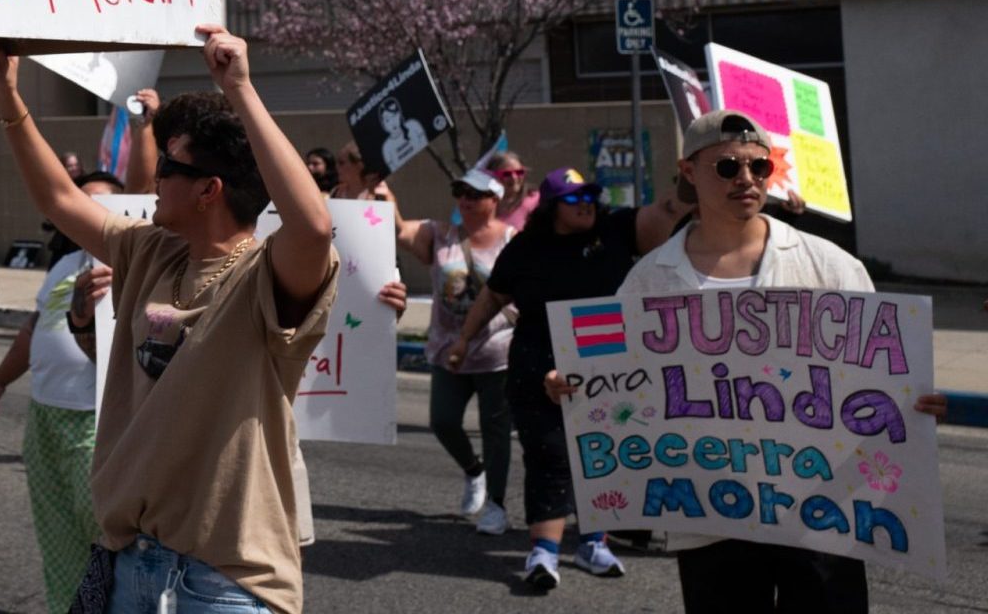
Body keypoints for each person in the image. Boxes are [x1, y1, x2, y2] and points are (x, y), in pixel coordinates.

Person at [0, 26, 339, 614]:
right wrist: (7, 100)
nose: (154, 176)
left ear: (208, 191)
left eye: (169, 165)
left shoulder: (267, 279)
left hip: (224, 581)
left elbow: (313, 227)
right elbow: (60, 202)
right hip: (132, 561)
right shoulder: (150, 250)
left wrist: (241, 88)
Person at [548, 110, 948, 612]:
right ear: (688, 171)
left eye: (760, 167)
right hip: (712, 517)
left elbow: (882, 380)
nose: (746, 179)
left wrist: (916, 404)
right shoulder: (651, 280)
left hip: (822, 516)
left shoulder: (830, 266)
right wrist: (572, 386)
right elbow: (614, 378)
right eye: (727, 167)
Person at [448, 166, 688, 592]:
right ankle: (543, 552)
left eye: (590, 197)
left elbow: (667, 211)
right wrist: (465, 339)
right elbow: (494, 295)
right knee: (550, 454)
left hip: (605, 361)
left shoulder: (616, 229)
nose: (587, 206)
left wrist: (689, 181)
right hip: (536, 361)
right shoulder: (526, 248)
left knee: (602, 453)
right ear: (554, 208)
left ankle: (594, 542)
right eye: (576, 200)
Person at [0, 170, 118, 612]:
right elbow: (33, 329)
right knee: (57, 532)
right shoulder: (65, 264)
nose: (84, 211)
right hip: (45, 418)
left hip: (94, 421)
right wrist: (1, 380)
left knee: (103, 537)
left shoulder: (131, 267)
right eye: (79, 201)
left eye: (99, 203)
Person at [399, 168, 516, 536]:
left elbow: (521, 292)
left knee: (496, 431)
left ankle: (496, 505)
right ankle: (473, 470)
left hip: (497, 352)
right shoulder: (440, 234)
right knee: (443, 421)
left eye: (475, 194)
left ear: (494, 200)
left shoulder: (513, 240)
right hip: (447, 351)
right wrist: (380, 191)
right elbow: (396, 227)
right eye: (460, 191)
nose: (465, 199)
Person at [483, 150, 536, 228]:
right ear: (492, 176)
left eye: (519, 172)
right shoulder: (480, 206)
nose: (514, 178)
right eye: (506, 174)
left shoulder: (536, 201)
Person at [376, 96, 428, 170]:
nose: (392, 122)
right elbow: (393, 168)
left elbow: (425, 145)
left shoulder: (413, 125)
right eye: (387, 120)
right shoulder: (386, 148)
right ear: (383, 124)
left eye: (394, 116)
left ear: (400, 114)